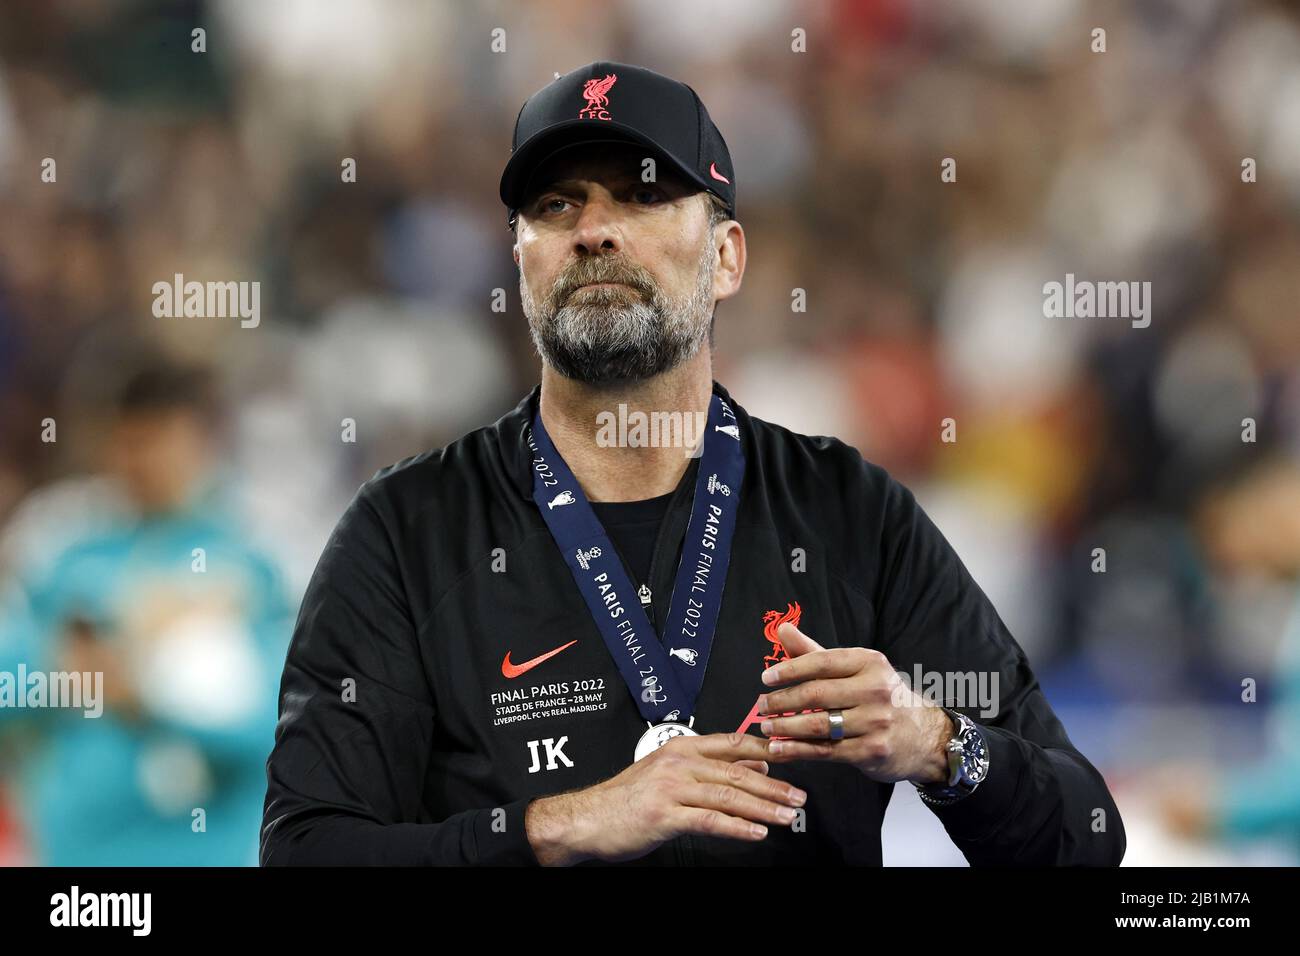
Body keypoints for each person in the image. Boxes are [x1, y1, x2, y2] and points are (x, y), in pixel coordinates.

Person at [261, 61, 1125, 866]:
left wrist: (937, 744)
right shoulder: (409, 529)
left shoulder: (847, 511)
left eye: (642, 196)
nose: (594, 230)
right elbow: (307, 851)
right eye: (556, 206)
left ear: (727, 257)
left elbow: (1087, 834)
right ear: (518, 259)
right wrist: (560, 825)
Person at [0, 353, 291, 865]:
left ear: (201, 440)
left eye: (157, 440)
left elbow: (283, 729)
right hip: (79, 863)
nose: (139, 460)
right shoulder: (62, 551)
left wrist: (149, 693)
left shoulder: (253, 565)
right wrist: (67, 670)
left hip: (202, 851)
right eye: (126, 442)